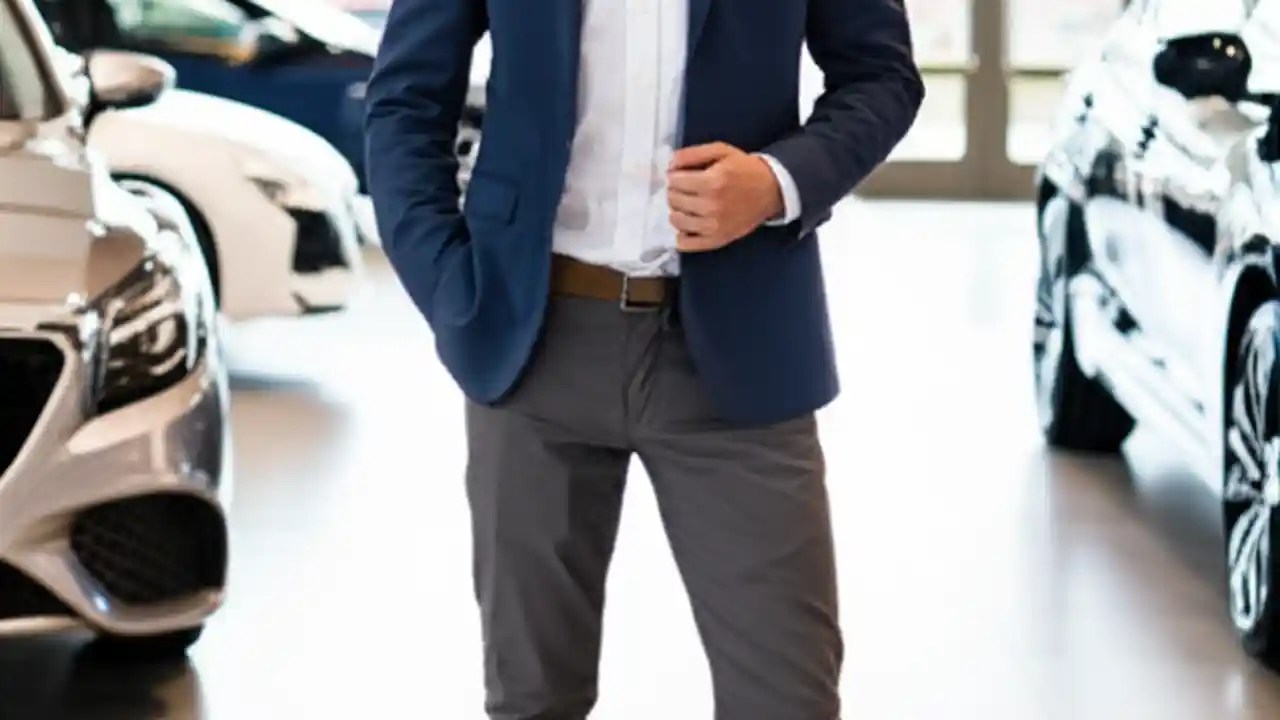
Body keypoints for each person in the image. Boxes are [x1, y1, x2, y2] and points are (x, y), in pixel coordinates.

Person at [365, 0, 922, 716]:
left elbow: (881, 77)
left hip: (740, 349)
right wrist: (448, 288)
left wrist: (775, 183)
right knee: (533, 698)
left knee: (787, 698)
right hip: (530, 344)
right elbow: (406, 98)